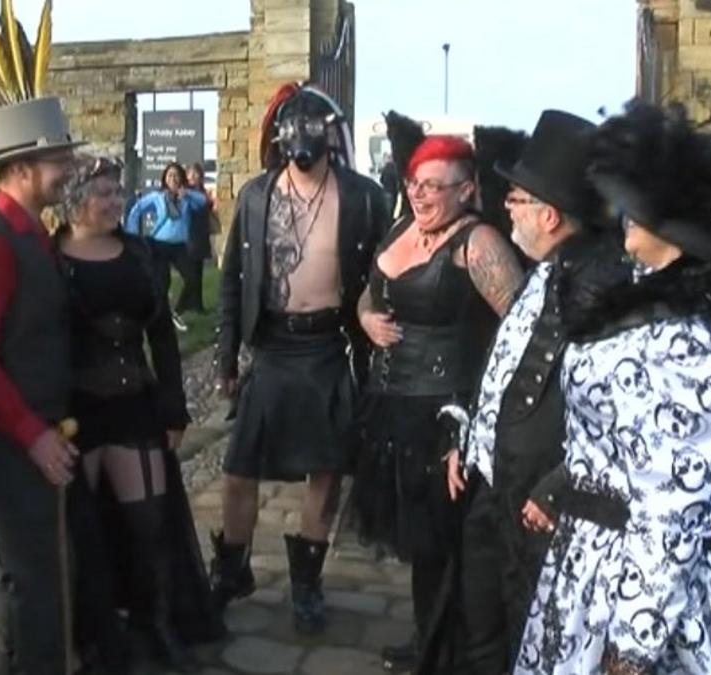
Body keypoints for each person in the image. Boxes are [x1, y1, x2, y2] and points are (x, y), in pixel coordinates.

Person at [515, 101, 711, 674]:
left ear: (682, 232)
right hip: (626, 559)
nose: (627, 224)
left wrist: (631, 652)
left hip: (687, 598)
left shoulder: (696, 341)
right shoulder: (702, 305)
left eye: (640, 213)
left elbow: (671, 508)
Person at [419, 110, 630, 674]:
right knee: (478, 625)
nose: (505, 207)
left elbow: (622, 414)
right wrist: (465, 431)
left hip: (537, 503)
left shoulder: (601, 290)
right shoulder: (544, 269)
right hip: (495, 483)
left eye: (515, 198)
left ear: (550, 214)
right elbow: (504, 371)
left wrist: (561, 484)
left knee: (525, 636)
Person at [210, 82, 391, 634]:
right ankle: (233, 567)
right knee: (239, 469)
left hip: (329, 346)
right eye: (298, 133)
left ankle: (307, 580)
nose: (307, 141)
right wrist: (224, 360)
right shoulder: (257, 195)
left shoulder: (363, 196)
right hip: (271, 347)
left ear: (330, 137)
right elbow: (231, 283)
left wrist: (370, 319)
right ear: (283, 140)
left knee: (327, 470)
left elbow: (385, 273)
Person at [349, 115, 524, 672]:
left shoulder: (480, 243)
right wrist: (367, 318)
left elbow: (522, 336)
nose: (420, 194)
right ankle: (428, 637)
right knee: (420, 547)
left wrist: (472, 423)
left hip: (444, 414)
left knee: (449, 547)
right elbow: (366, 293)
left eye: (434, 185)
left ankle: (450, 653)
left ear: (468, 189)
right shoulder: (403, 228)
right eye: (414, 183)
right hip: (391, 409)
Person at [55, 156, 224, 673]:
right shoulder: (47, 259)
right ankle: (94, 633)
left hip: (133, 406)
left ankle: (158, 624)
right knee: (80, 529)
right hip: (73, 413)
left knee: (148, 522)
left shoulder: (139, 253)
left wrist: (175, 407)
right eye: (101, 193)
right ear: (72, 200)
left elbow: (162, 337)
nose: (114, 201)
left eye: (116, 192)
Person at [0, 98, 84, 674]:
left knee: (50, 571)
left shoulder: (32, 235)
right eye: (59, 158)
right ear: (22, 168)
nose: (70, 168)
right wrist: (32, 435)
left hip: (37, 433)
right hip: (9, 443)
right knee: (31, 580)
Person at [125, 162, 207, 331]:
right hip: (159, 245)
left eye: (176, 175)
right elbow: (137, 209)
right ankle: (158, 319)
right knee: (162, 282)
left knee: (192, 279)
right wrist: (132, 232)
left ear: (182, 178)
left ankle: (177, 311)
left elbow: (203, 202)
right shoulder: (158, 197)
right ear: (164, 179)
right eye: (169, 175)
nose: (173, 179)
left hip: (180, 246)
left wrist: (188, 195)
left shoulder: (187, 197)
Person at [179, 162, 215, 314]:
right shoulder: (185, 193)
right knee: (191, 276)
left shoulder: (202, 192)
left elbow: (207, 205)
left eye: (196, 174)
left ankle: (197, 306)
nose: (193, 177)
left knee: (198, 274)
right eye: (190, 174)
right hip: (190, 236)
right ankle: (180, 307)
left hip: (201, 235)